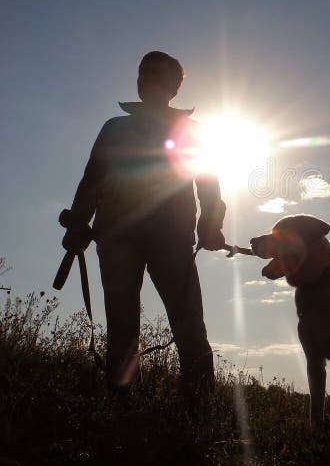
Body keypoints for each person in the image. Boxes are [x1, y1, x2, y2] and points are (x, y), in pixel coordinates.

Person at [60, 51, 226, 400]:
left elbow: (208, 184)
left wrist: (211, 224)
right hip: (116, 236)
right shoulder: (114, 128)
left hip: (172, 238)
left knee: (189, 326)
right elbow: (92, 179)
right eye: (141, 72)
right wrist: (78, 223)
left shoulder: (190, 131)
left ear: (173, 87)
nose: (144, 78)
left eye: (153, 73)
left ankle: (199, 415)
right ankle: (121, 412)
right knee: (121, 329)